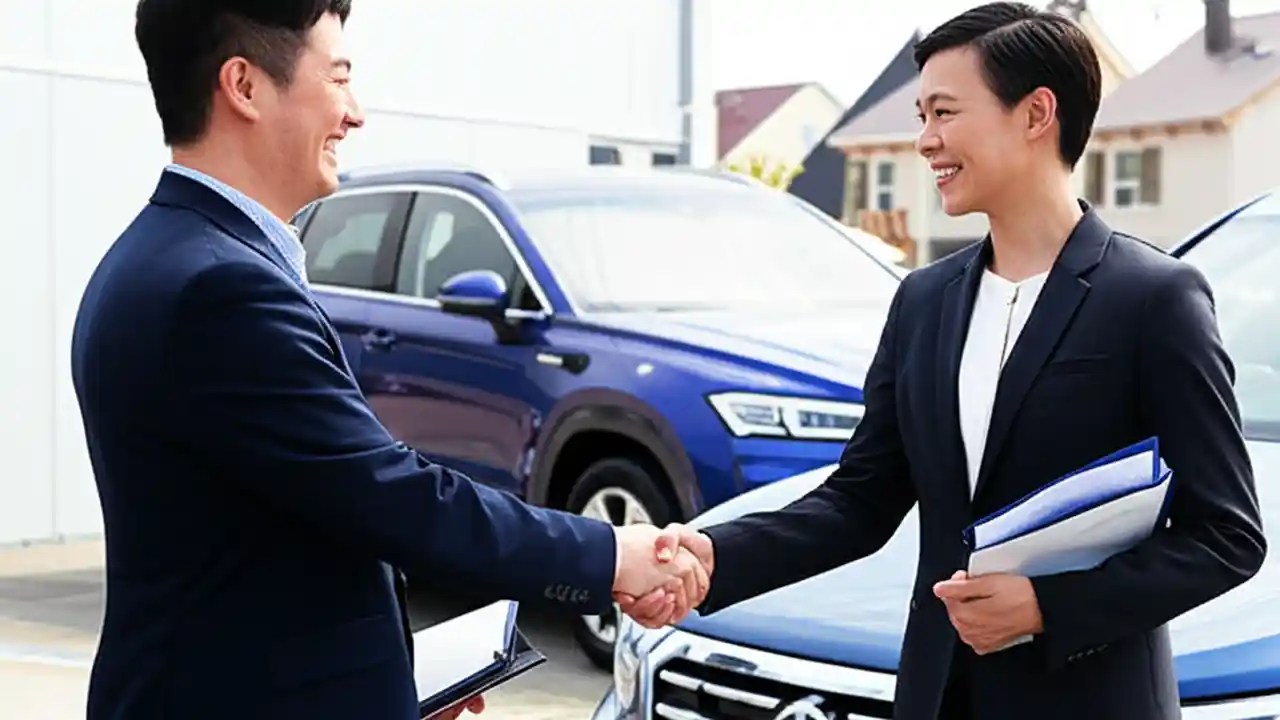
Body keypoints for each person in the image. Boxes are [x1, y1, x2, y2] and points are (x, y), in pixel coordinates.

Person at [620, 3, 1268, 718]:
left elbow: (1226, 536)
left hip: (1092, 700)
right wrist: (715, 557)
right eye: (922, 116)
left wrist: (1049, 606)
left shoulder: (1155, 299)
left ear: (1036, 114)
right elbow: (860, 501)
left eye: (944, 112)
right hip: (935, 695)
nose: (924, 141)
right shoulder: (923, 302)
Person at [71, 2, 705, 719]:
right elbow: (394, 496)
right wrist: (609, 555)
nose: (355, 113)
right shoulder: (218, 287)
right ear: (243, 87)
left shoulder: (164, 257)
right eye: (338, 78)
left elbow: (280, 531)